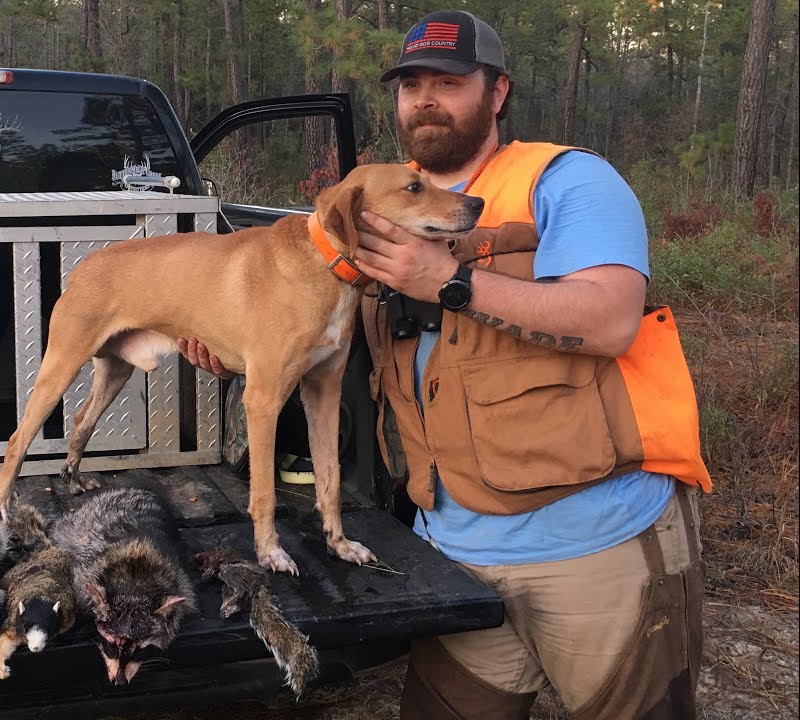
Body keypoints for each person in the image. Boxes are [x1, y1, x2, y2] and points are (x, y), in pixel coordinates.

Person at [181, 9, 712, 719]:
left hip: (598, 551)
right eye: (411, 85)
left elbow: (611, 318)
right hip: (451, 556)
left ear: (496, 93)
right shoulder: (376, 210)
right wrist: (239, 349)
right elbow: (319, 352)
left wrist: (448, 282)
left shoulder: (568, 181)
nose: (426, 98)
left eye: (449, 82)